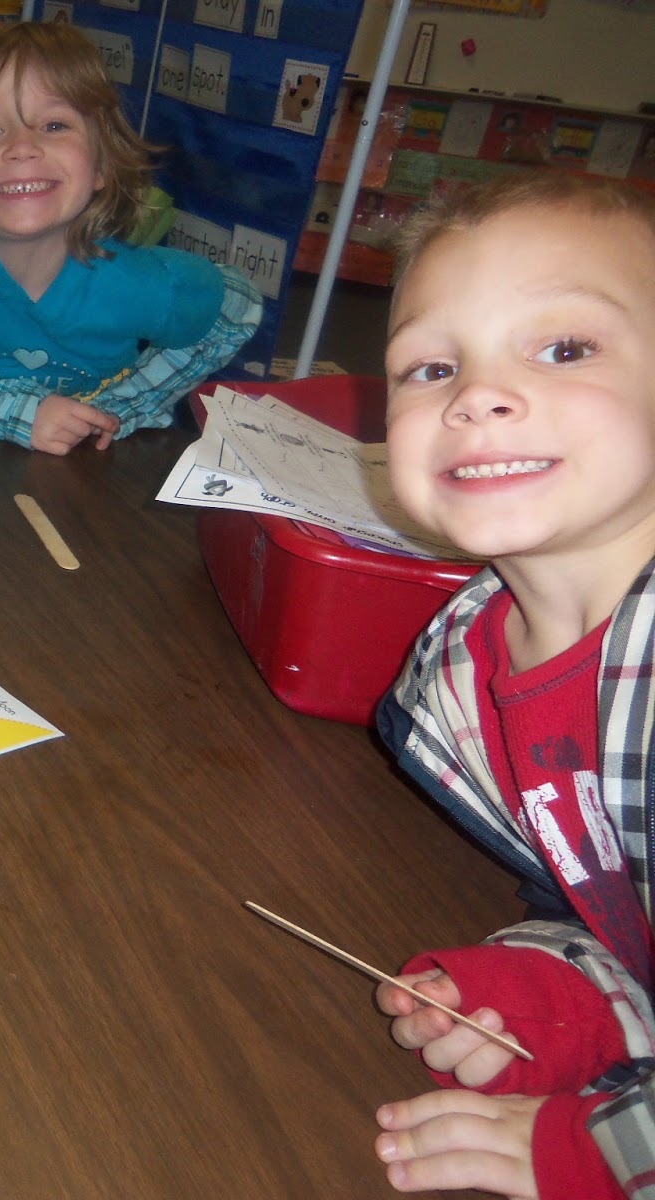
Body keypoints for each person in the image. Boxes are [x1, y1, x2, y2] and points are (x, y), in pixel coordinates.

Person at [374, 171, 655, 1198]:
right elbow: (610, 905)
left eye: (564, 347)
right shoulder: (458, 683)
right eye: (430, 365)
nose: (474, 395)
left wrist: (611, 1149)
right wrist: (559, 993)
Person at [0, 21, 260, 457]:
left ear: (101, 165)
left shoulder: (139, 284)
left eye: (55, 125)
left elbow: (239, 304)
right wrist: (16, 415)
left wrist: (126, 404)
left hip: (83, 478)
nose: (22, 147)